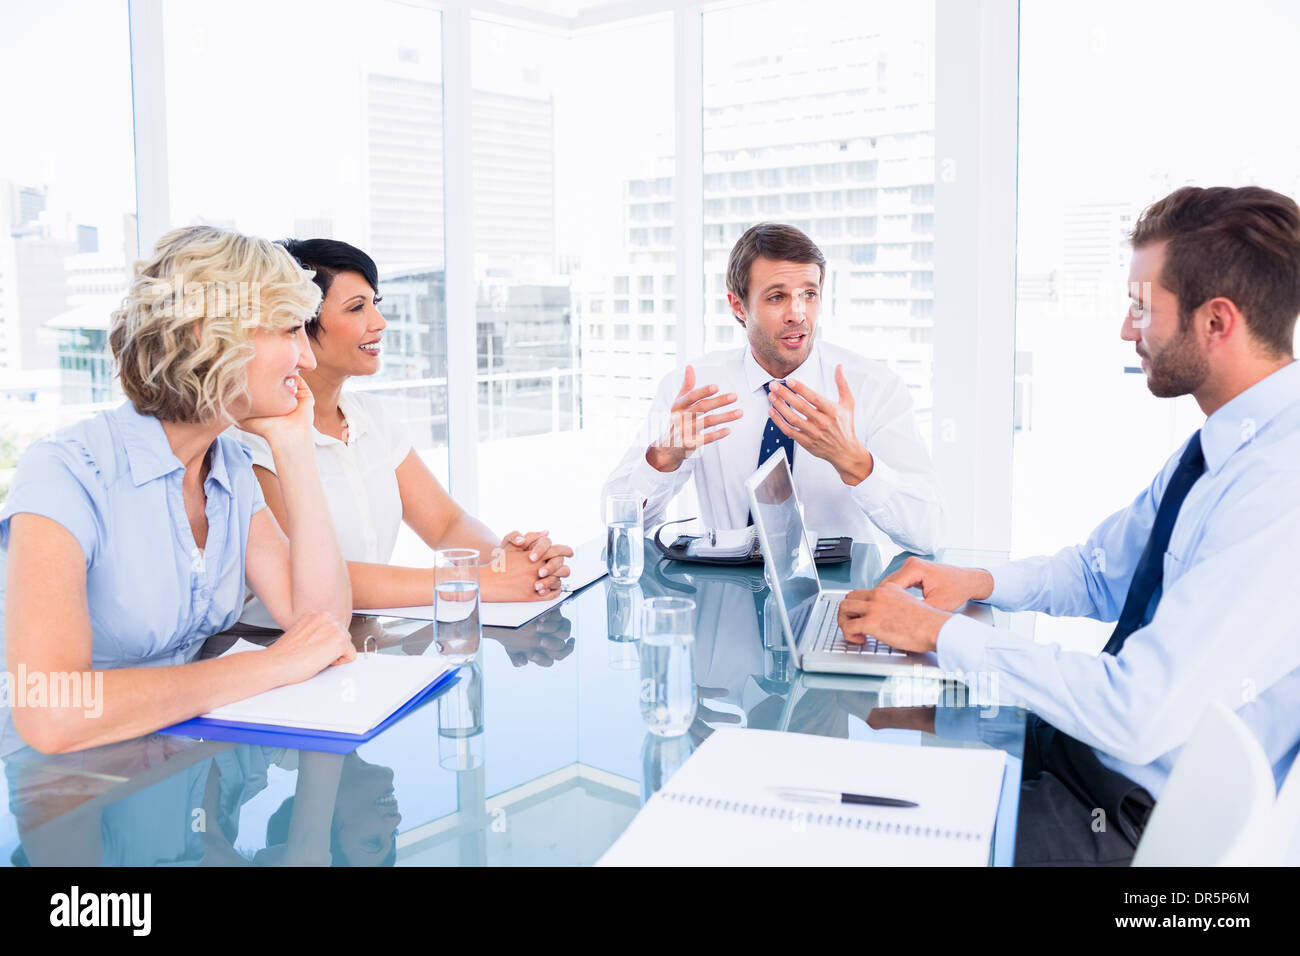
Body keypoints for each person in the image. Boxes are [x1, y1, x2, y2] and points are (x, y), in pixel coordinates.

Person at [836, 185, 1300, 864]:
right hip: (1082, 752)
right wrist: (972, 581)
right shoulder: (1227, 443)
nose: (1125, 328)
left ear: (1216, 321)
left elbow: (1134, 714)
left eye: (1142, 308)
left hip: (1121, 816)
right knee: (861, 737)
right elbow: (1097, 571)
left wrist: (938, 633)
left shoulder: (1279, 485)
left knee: (856, 836)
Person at [0, 226, 355, 756]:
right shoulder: (66, 473)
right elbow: (54, 709)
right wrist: (270, 665)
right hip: (76, 790)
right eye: (287, 330)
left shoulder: (229, 465)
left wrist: (294, 445)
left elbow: (322, 627)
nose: (306, 358)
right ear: (206, 336)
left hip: (187, 772)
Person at [232, 239, 571, 625]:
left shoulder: (371, 417)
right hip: (273, 644)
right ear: (299, 327)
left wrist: (512, 564)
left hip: (363, 642)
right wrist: (475, 580)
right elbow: (314, 579)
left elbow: (446, 524)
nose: (379, 322)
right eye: (357, 307)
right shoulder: (254, 438)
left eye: (375, 303)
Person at [602, 222, 942, 555]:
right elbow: (617, 522)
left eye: (809, 294)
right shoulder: (693, 390)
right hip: (727, 598)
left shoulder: (875, 389)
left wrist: (854, 462)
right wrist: (663, 456)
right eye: (777, 297)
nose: (798, 314)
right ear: (738, 306)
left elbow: (927, 533)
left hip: (843, 600)